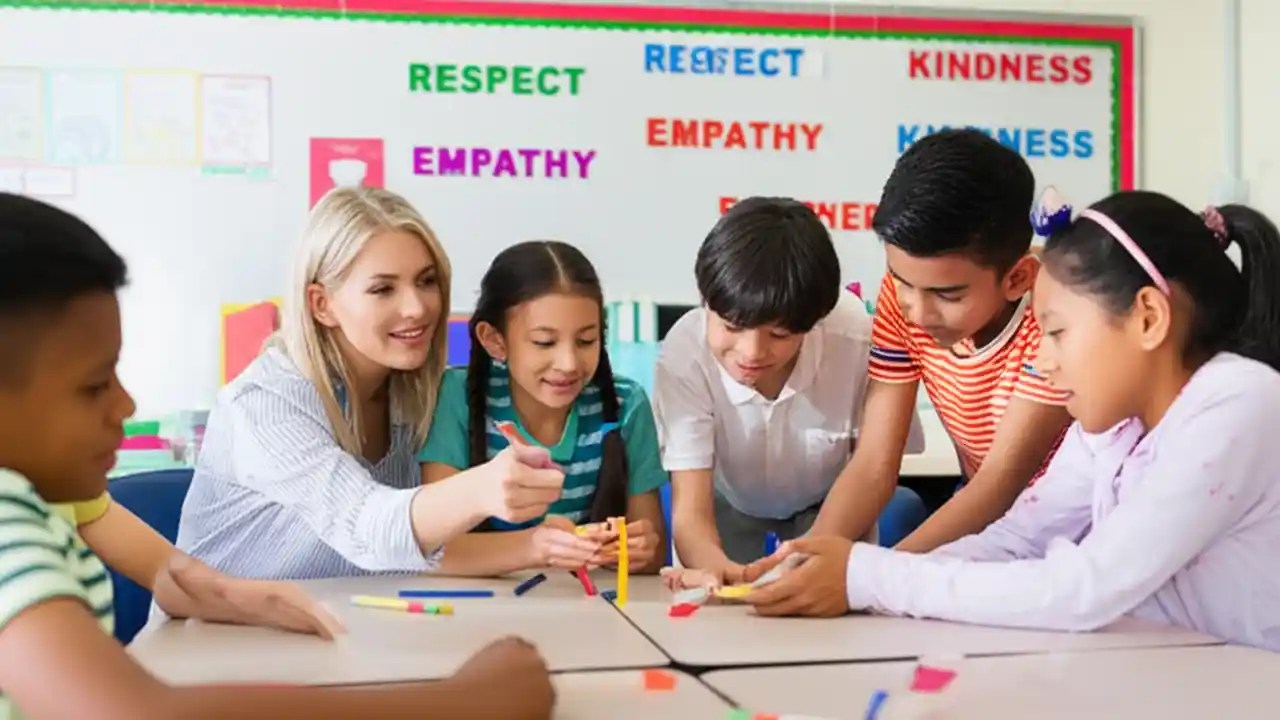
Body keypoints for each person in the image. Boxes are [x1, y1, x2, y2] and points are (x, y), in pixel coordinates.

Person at [0, 192, 555, 719]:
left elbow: (175, 575)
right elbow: (135, 712)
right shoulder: (10, 528)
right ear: (321, 302)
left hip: (335, 643)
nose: (126, 403)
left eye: (428, 281)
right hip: (228, 663)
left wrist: (239, 596)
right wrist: (458, 706)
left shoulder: (55, 502)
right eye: (95, 385)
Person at [743, 190, 1280, 652]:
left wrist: (868, 578)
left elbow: (1084, 589)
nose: (1043, 359)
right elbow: (1014, 540)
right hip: (1168, 674)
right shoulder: (1114, 425)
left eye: (1057, 332)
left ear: (1148, 317)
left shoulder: (1237, 402)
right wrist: (852, 574)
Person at [176, 187, 565, 580]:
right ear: (321, 304)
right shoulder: (263, 404)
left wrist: (542, 543)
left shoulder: (419, 392)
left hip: (343, 626)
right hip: (222, 636)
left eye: (426, 281)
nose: (417, 308)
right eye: (383, 289)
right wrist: (479, 490)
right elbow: (367, 527)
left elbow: (420, 548)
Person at [809, 128, 1071, 553]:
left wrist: (873, 574)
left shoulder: (1057, 312)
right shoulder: (903, 298)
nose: (918, 311)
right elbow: (875, 463)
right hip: (976, 516)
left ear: (1017, 277)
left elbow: (999, 484)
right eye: (902, 281)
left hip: (1063, 530)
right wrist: (811, 554)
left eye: (948, 295)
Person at [652, 197, 926, 587]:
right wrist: (711, 567)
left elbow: (873, 470)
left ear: (813, 322)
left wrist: (809, 555)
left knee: (818, 608)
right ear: (704, 301)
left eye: (779, 335)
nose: (751, 352)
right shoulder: (684, 352)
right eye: (730, 326)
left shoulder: (859, 340)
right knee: (718, 613)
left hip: (830, 507)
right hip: (728, 505)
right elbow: (691, 509)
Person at [419, 241, 668, 576]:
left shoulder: (626, 405)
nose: (568, 364)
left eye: (586, 340)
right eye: (544, 343)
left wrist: (637, 549)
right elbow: (437, 550)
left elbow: (652, 556)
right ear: (494, 340)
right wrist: (538, 547)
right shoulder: (458, 397)